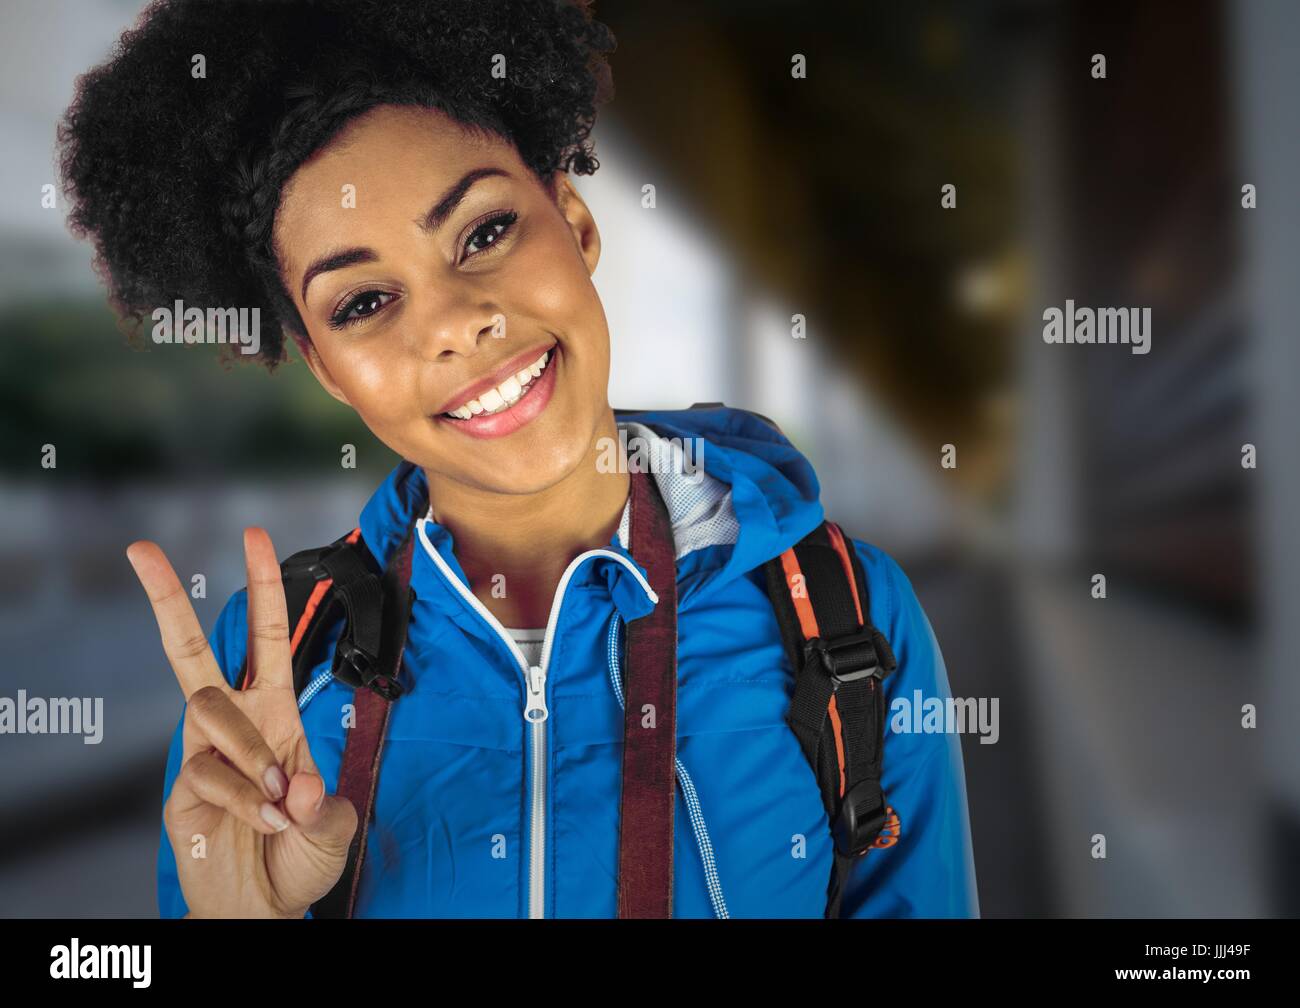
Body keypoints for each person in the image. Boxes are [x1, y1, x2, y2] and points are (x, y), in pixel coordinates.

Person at [58, 0, 978, 918]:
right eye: (363, 304)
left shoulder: (846, 617)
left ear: (574, 220)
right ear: (326, 370)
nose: (457, 323)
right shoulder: (271, 666)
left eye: (485, 233)